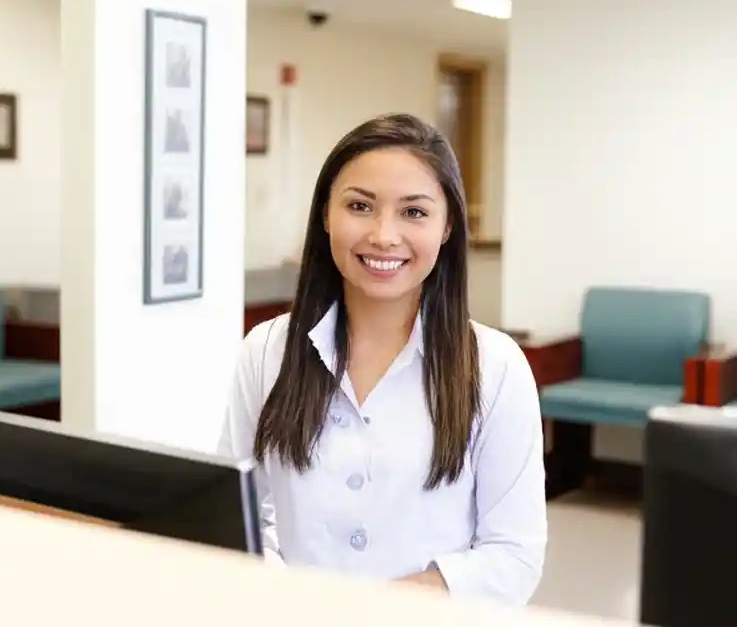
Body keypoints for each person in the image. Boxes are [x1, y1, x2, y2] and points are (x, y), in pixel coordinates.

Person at [220, 113, 546, 605]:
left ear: (447, 226)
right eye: (360, 206)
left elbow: (514, 554)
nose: (383, 236)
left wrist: (375, 608)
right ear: (326, 215)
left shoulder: (495, 368)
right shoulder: (266, 351)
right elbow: (238, 517)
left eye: (413, 212)